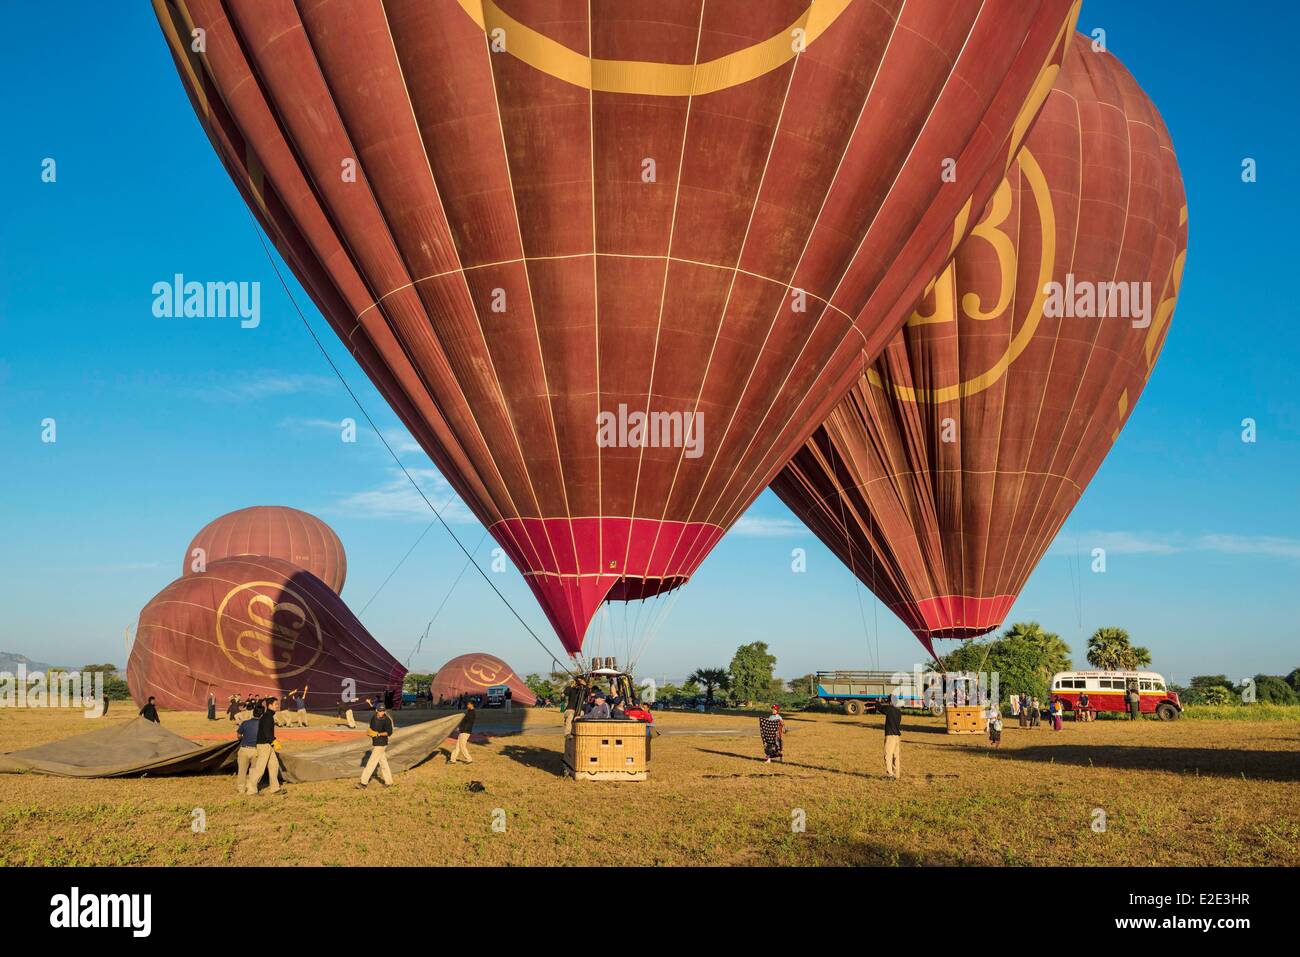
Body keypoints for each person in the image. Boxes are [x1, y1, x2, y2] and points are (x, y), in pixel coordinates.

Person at [245, 697, 284, 795]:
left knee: (274, 766)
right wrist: (273, 741)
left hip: (268, 745)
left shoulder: (268, 716)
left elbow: (267, 731)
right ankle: (251, 789)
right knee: (260, 769)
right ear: (270, 705)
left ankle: (275, 788)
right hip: (264, 745)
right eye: (276, 704)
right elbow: (267, 732)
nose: (277, 706)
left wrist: (272, 741)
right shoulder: (267, 717)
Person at [358, 701, 396, 788]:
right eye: (380, 710)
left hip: (382, 743)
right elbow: (371, 729)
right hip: (376, 742)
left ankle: (363, 783)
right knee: (383, 763)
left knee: (371, 762)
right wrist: (370, 732)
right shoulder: (373, 717)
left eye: (383, 711)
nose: (381, 712)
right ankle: (389, 782)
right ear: (376, 710)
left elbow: (389, 732)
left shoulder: (387, 720)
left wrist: (378, 734)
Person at [234, 706, 262, 794]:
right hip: (256, 750)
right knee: (253, 771)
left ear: (253, 713)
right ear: (262, 715)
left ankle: (241, 789)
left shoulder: (245, 723)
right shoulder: (262, 725)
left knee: (242, 771)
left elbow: (238, 735)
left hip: (244, 749)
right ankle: (251, 788)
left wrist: (243, 738)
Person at [880, 696, 903, 779]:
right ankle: (897, 774)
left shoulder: (889, 709)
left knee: (887, 755)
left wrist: (878, 701)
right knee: (896, 756)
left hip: (890, 736)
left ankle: (890, 774)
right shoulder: (899, 712)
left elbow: (879, 708)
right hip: (897, 736)